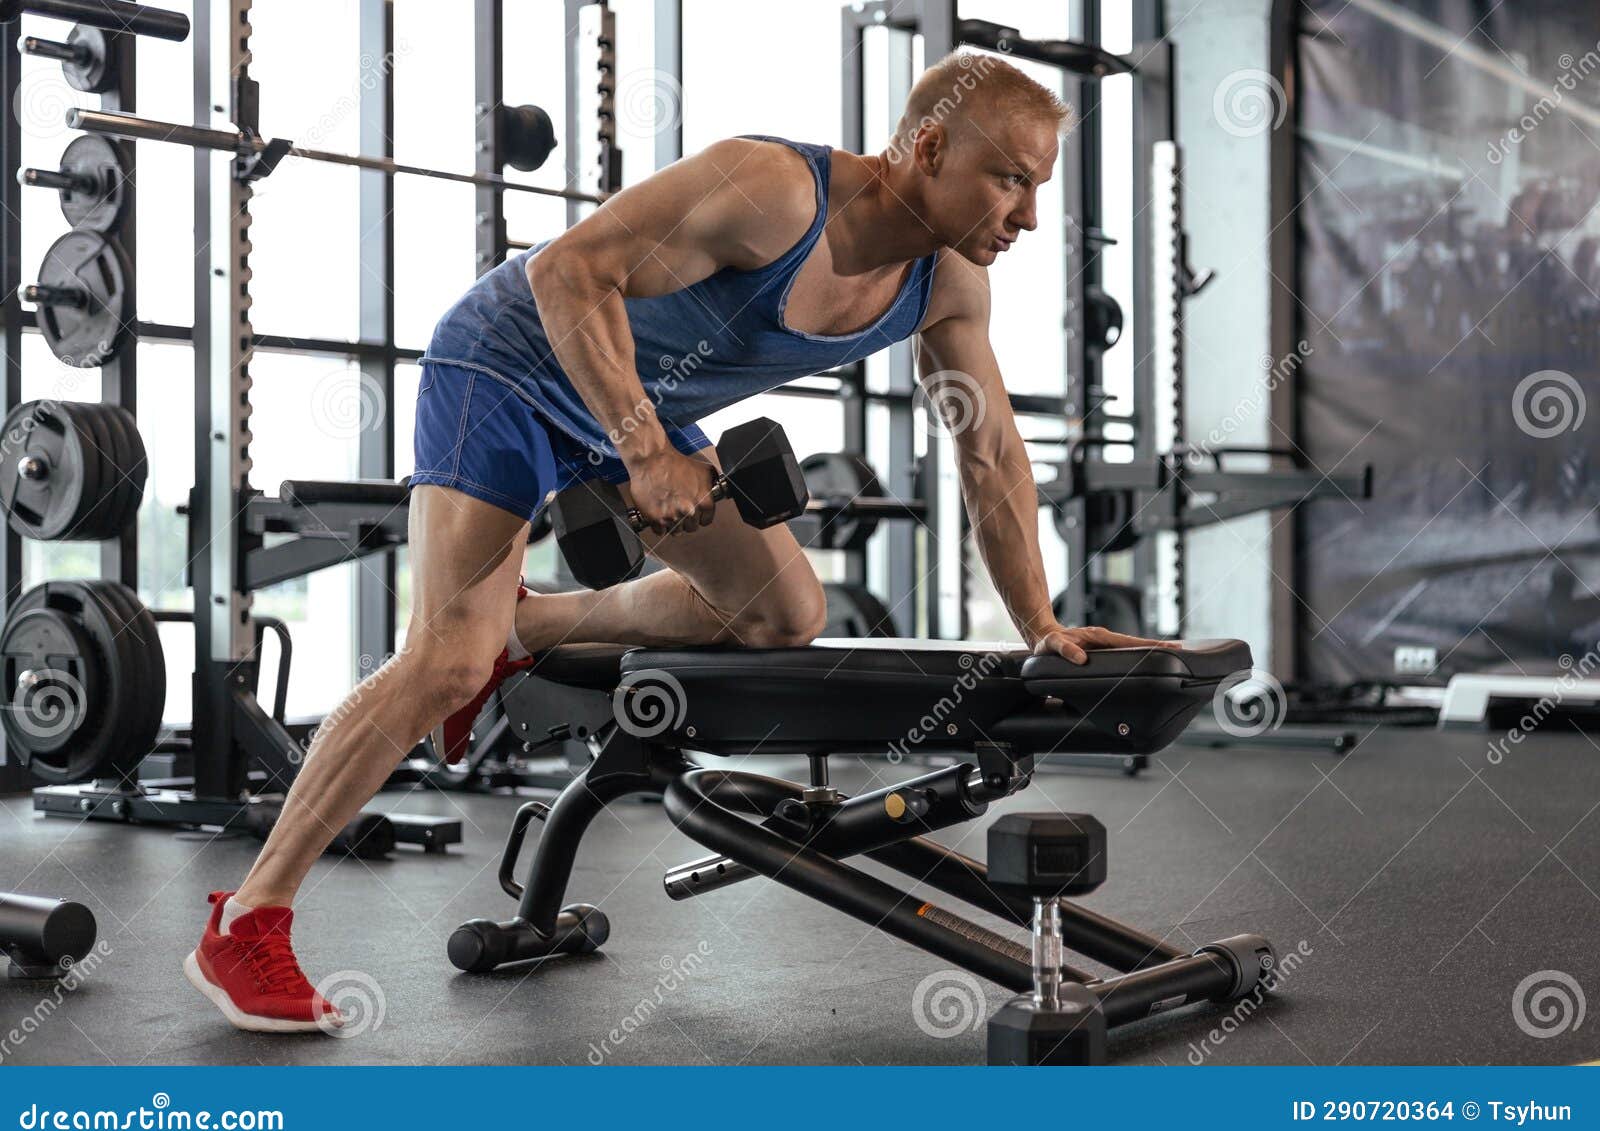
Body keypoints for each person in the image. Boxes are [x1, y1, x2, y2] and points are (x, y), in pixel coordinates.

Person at [184, 52, 1178, 1032]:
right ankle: (250, 919)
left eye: (1036, 187)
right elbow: (568, 270)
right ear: (926, 147)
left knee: (782, 610)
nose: (1029, 216)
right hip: (509, 368)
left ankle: (526, 629)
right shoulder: (773, 191)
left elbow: (990, 451)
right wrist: (645, 450)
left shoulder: (947, 282)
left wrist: (1039, 621)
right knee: (445, 661)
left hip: (635, 409)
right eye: (1011, 179)